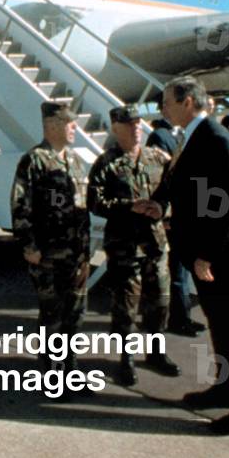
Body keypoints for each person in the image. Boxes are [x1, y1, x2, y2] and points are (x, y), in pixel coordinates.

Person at [146, 76, 229, 435]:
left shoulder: (215, 139)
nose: (162, 109)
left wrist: (205, 254)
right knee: (222, 328)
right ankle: (228, 388)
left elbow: (223, 203)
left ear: (187, 101)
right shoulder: (191, 136)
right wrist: (159, 204)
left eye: (167, 102)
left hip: (220, 256)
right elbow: (181, 184)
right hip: (207, 256)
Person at [88, 106, 181, 385]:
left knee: (160, 301)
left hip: (155, 244)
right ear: (116, 128)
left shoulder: (158, 157)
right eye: (129, 124)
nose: (136, 128)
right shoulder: (106, 163)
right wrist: (130, 206)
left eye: (138, 123)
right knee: (126, 306)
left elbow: (175, 192)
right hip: (124, 247)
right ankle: (126, 359)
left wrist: (162, 209)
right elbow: (95, 202)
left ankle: (156, 353)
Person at [11, 101, 90, 376]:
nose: (75, 128)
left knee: (76, 314)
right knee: (52, 315)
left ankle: (71, 367)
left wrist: (86, 250)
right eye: (69, 124)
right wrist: (28, 245)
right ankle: (52, 372)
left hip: (76, 255)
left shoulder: (75, 161)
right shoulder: (34, 161)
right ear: (52, 126)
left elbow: (83, 207)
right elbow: (20, 206)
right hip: (47, 255)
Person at [147, 115, 206, 337]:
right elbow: (160, 179)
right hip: (171, 215)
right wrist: (165, 214)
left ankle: (182, 316)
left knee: (181, 270)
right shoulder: (160, 136)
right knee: (176, 272)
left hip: (180, 214)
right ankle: (178, 320)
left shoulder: (177, 134)